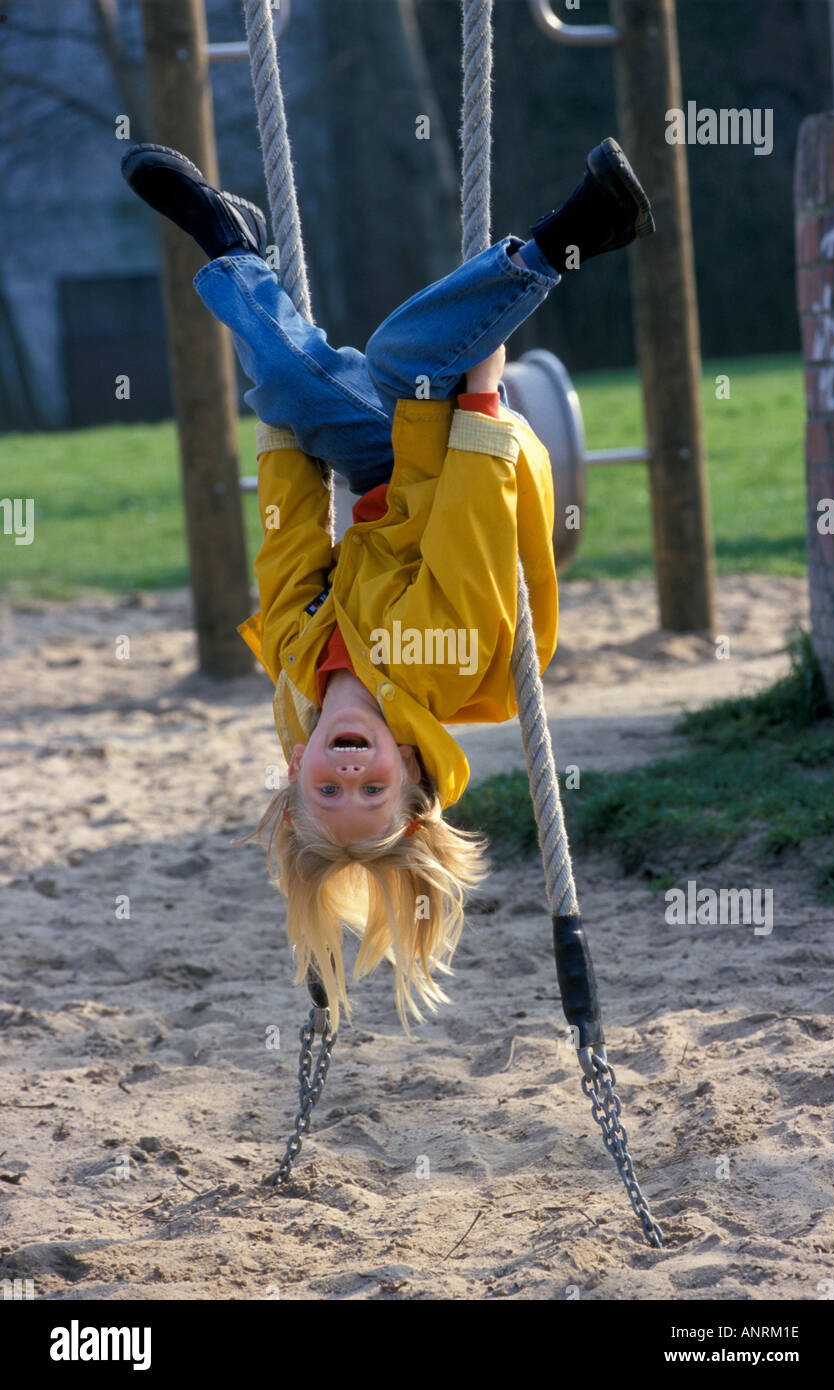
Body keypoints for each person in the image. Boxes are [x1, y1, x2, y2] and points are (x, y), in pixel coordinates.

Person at [121, 138, 654, 1032]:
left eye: (329, 792)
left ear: (294, 772)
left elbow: (288, 550)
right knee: (406, 349)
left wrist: (285, 436)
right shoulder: (434, 667)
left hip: (385, 472)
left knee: (292, 378)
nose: (352, 774)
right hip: (471, 466)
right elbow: (472, 544)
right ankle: (562, 242)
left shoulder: (298, 681)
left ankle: (234, 247)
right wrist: (483, 400)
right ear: (410, 768)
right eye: (374, 792)